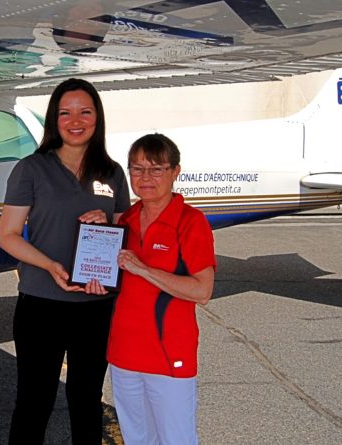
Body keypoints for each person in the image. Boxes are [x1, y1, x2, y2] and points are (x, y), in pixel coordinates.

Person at [0, 77, 131, 444]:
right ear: (54, 120)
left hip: (95, 306)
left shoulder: (112, 172)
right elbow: (8, 235)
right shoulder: (31, 168)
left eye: (85, 112)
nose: (75, 121)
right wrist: (49, 266)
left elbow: (125, 232)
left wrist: (108, 222)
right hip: (42, 305)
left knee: (86, 402)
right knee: (34, 403)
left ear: (97, 118)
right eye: (65, 113)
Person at [108, 133, 216, 445]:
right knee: (137, 440)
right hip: (123, 354)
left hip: (168, 357)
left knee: (176, 440)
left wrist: (143, 269)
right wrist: (96, 231)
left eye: (156, 169)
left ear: (175, 172)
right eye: (137, 169)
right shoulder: (126, 221)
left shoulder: (190, 222)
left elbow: (202, 291)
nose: (145, 178)